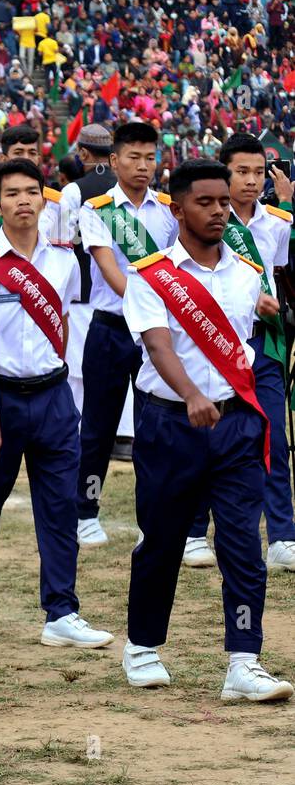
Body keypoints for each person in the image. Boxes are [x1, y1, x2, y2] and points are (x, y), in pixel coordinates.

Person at [121, 159, 293, 703]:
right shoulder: (151, 276)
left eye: (224, 202)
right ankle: (142, 645)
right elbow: (158, 345)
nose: (219, 211)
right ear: (178, 209)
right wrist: (192, 394)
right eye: (206, 202)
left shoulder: (245, 271)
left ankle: (244, 661)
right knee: (163, 541)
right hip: (170, 424)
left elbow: (244, 341)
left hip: (236, 426)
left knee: (243, 543)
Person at [0, 159, 113, 648]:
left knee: (60, 508)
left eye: (31, 192)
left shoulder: (64, 261)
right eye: (12, 193)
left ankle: (61, 611)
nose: (23, 201)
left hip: (54, 398)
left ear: (44, 199)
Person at [181, 133, 295, 571]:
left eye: (258, 172)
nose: (250, 181)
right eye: (240, 172)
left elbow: (282, 276)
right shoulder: (204, 221)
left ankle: (281, 535)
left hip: (262, 343)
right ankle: (194, 532)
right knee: (211, 437)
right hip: (212, 342)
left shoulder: (276, 223)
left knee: (273, 438)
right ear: (223, 173)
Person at [76, 121, 179, 546]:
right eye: (133, 158)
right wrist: (148, 306)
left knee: (152, 427)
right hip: (112, 329)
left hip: (157, 332)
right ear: (114, 161)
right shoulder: (97, 209)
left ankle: (149, 518)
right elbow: (110, 271)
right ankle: (85, 511)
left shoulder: (170, 210)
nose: (142, 166)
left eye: (149, 158)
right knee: (98, 426)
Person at [58, 123, 114, 418]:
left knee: (80, 367)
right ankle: (124, 433)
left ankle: (80, 423)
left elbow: (60, 242)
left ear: (82, 153)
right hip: (123, 293)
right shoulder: (127, 187)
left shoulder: (73, 190)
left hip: (84, 289)